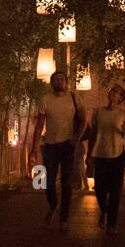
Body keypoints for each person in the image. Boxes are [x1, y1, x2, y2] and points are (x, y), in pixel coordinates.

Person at [31, 70, 86, 230]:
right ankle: (54, 205)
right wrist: (34, 148)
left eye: (62, 79)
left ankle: (64, 218)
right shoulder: (45, 100)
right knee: (47, 182)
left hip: (69, 145)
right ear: (51, 83)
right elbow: (39, 125)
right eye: (56, 79)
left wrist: (76, 137)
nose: (59, 82)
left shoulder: (74, 97)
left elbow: (83, 119)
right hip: (50, 145)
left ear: (66, 82)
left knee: (66, 183)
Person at [85, 84, 125, 232]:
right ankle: (104, 210)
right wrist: (89, 153)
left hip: (118, 154)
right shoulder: (98, 112)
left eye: (116, 92)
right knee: (99, 188)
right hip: (101, 153)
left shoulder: (123, 114)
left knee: (115, 191)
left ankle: (111, 224)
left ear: (120, 97)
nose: (112, 93)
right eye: (111, 91)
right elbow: (93, 133)